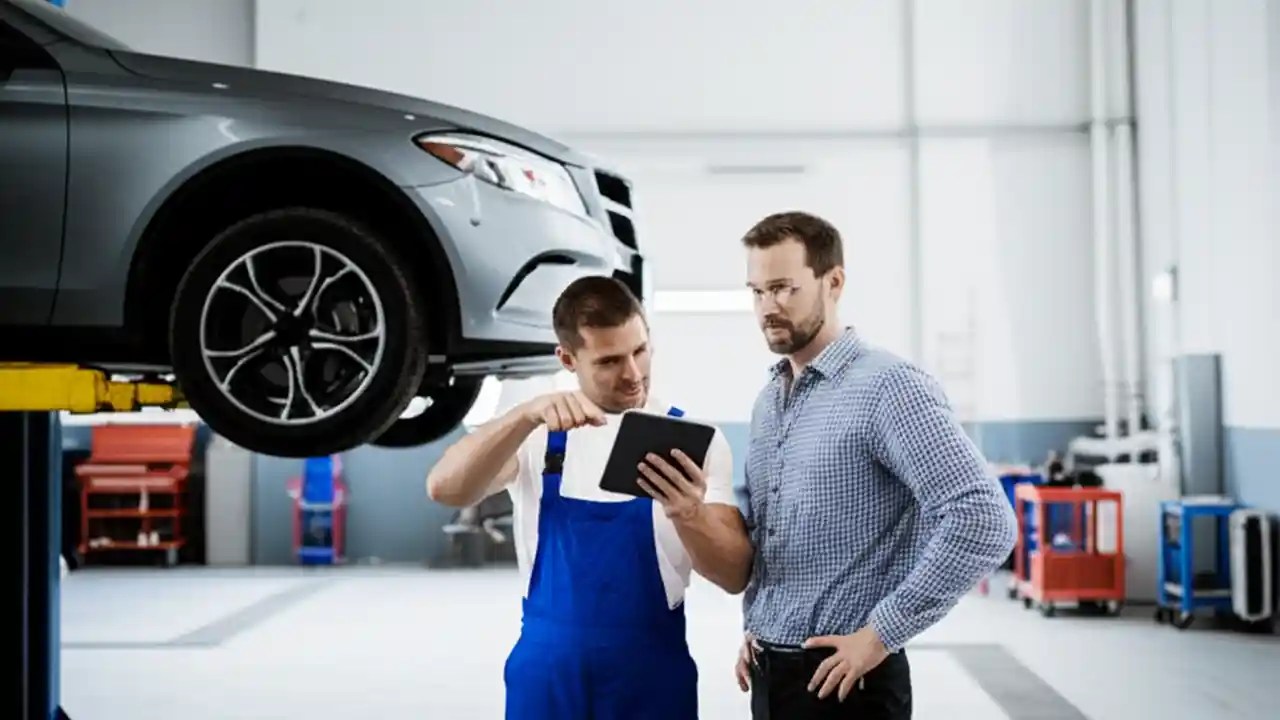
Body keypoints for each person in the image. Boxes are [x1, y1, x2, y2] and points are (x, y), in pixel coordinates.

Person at [730, 211, 1019, 719]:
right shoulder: (768, 402)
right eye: (756, 292)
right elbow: (770, 537)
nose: (767, 307)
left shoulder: (888, 388)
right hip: (769, 674)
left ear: (833, 282)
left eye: (783, 289)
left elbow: (983, 518)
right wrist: (761, 624)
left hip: (848, 684)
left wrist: (881, 634)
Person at [425, 275, 750, 720]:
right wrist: (524, 415)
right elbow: (445, 488)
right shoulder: (536, 437)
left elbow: (734, 575)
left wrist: (690, 513)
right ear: (567, 358)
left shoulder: (694, 442)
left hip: (652, 678)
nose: (633, 374)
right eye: (610, 361)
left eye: (640, 350)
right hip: (547, 678)